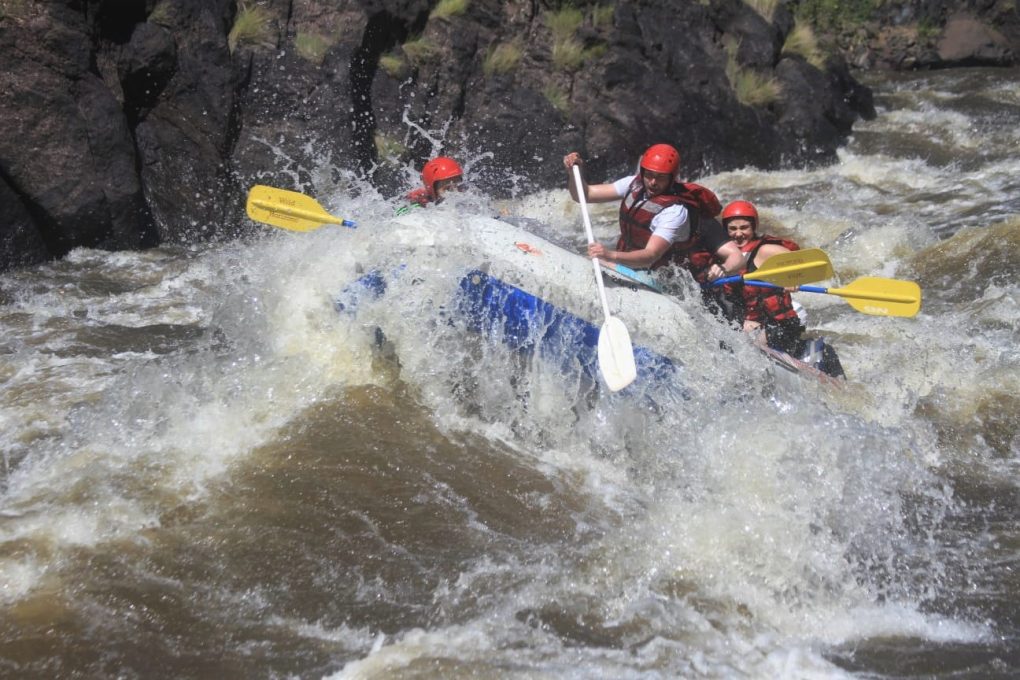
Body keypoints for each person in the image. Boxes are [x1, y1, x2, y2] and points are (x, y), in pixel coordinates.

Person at [562, 144, 744, 297]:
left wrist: (609, 255)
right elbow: (584, 195)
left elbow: (650, 256)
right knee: (588, 263)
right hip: (632, 266)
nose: (653, 182)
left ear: (672, 178)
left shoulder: (674, 212)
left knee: (597, 263)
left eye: (660, 177)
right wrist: (574, 173)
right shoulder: (633, 184)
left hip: (664, 280)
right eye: (649, 175)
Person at [721, 199, 844, 377]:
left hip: (780, 322)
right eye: (733, 229)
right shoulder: (724, 255)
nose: (739, 234)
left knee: (753, 346)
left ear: (753, 227)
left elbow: (802, 265)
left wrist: (791, 278)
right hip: (750, 323)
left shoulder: (766, 251)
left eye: (744, 228)